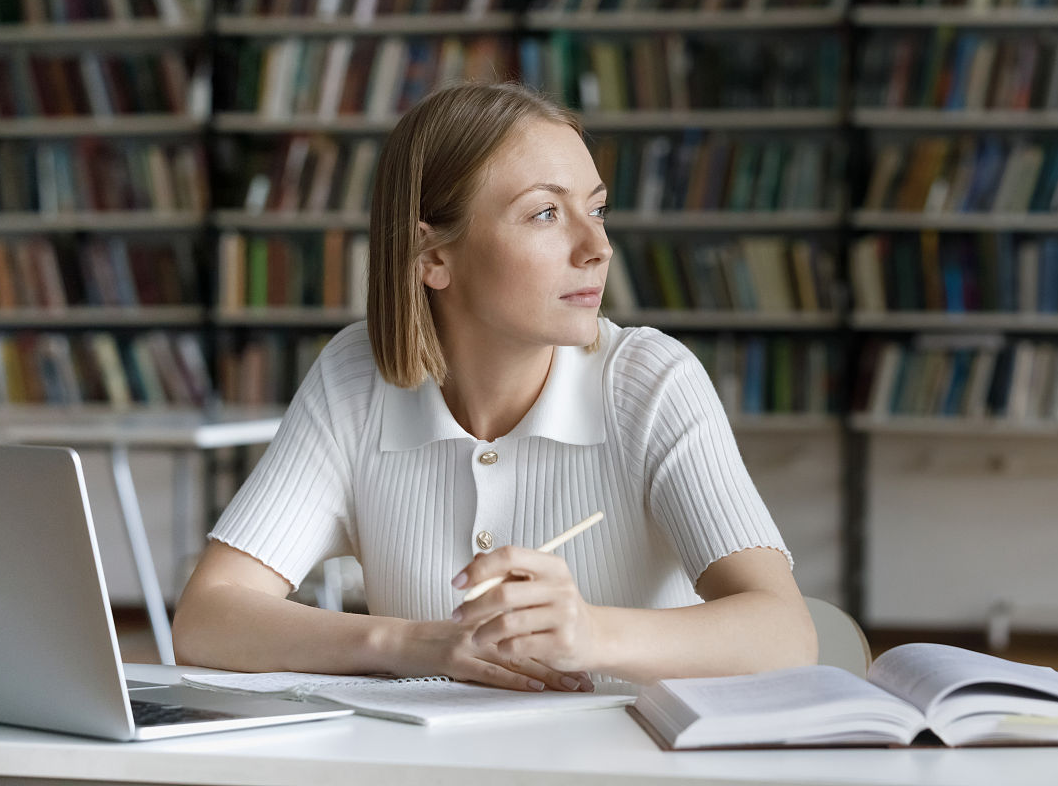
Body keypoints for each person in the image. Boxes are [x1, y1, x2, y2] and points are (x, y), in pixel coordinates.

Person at [172, 82, 816, 691]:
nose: (598, 246)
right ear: (433, 258)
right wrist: (413, 645)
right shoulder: (356, 377)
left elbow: (786, 634)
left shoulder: (651, 381)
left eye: (596, 209)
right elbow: (208, 617)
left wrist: (590, 633)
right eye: (544, 213)